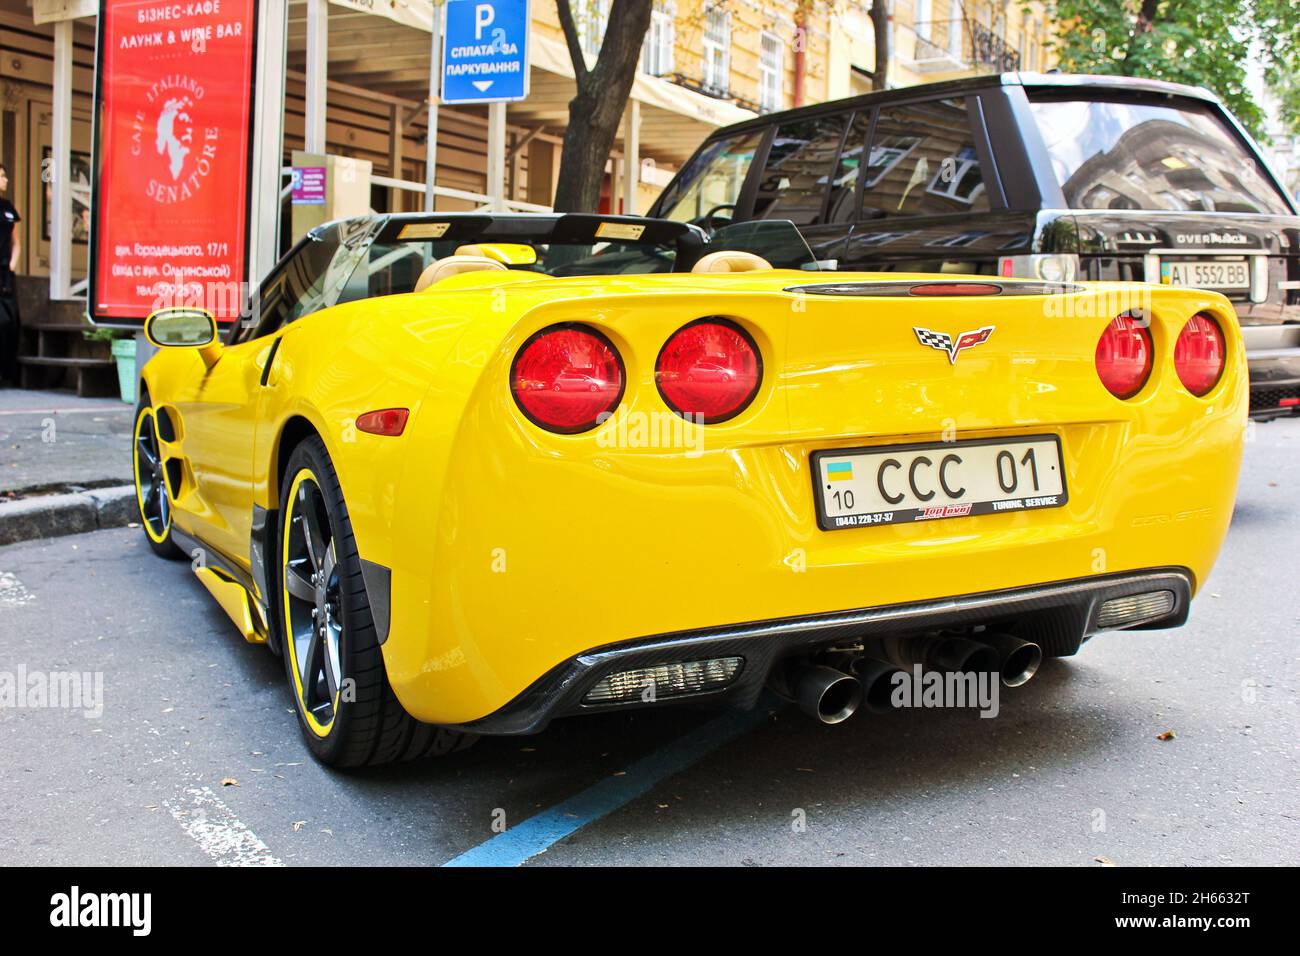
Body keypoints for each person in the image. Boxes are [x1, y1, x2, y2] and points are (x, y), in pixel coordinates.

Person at [0, 161, 20, 386]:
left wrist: (13, 264)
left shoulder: (8, 207)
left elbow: (16, 241)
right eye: (2, 176)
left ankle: (8, 372)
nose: (6, 179)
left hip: (5, 272)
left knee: (10, 320)